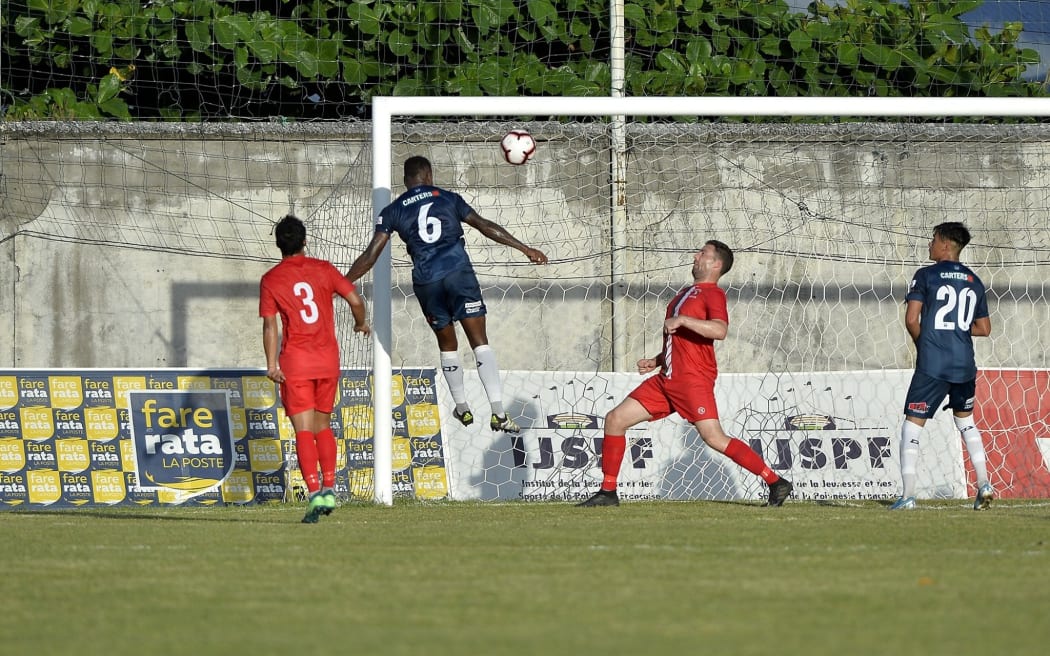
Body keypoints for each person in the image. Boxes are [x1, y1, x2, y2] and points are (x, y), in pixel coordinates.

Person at [577, 240, 793, 507]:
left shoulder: (713, 294)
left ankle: (775, 482)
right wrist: (657, 360)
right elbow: (681, 342)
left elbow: (720, 330)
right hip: (666, 379)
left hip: (692, 380)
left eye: (703, 253)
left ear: (716, 264)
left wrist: (683, 320)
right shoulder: (684, 292)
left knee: (714, 438)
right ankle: (608, 492)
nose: (695, 256)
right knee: (615, 419)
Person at [345, 155, 547, 433]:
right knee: (479, 342)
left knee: (447, 344)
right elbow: (484, 225)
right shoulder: (449, 198)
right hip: (458, 274)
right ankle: (498, 413)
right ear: (429, 176)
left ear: (405, 180)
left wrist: (341, 283)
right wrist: (525, 249)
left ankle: (462, 407)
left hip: (427, 282)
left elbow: (371, 254)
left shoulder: (392, 211)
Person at [260, 214, 371, 523]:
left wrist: (271, 365)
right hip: (327, 361)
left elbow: (270, 326)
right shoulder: (324, 269)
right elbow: (355, 300)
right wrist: (360, 323)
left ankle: (313, 494)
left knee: (304, 430)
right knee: (323, 426)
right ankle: (330, 488)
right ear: (305, 241)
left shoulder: (271, 279)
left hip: (296, 363)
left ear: (278, 244)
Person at [891, 222, 993, 511]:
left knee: (912, 425)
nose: (929, 244)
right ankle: (984, 483)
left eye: (933, 239)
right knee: (966, 422)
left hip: (933, 364)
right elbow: (984, 329)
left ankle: (908, 495)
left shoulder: (926, 275)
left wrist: (926, 343)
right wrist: (954, 330)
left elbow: (911, 319)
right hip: (964, 365)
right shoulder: (974, 280)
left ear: (946, 245)